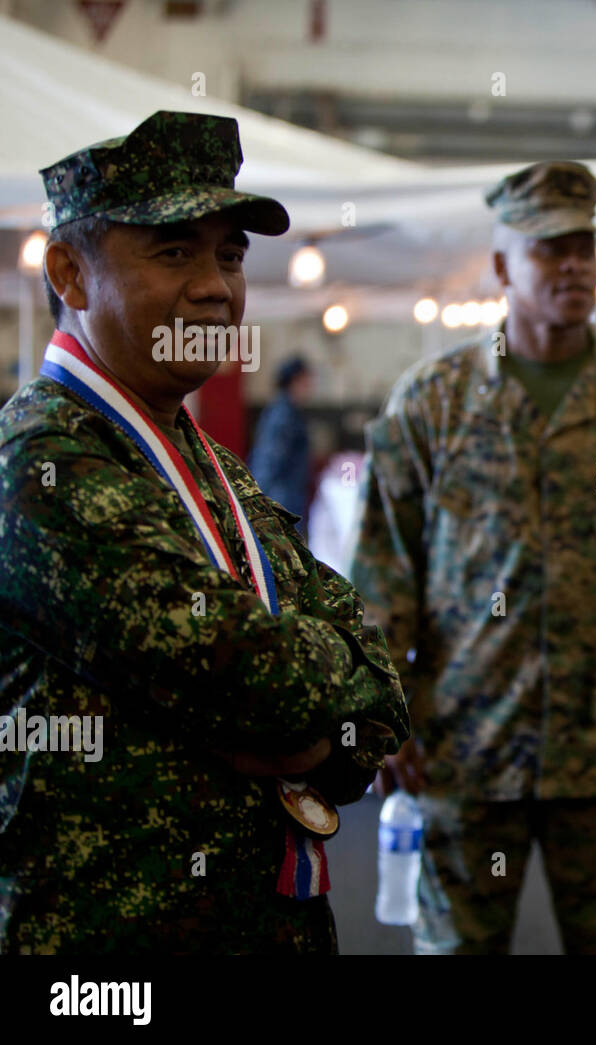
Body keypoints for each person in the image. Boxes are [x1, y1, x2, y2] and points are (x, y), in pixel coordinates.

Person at [0, 110, 408, 954]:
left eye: (229, 255)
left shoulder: (210, 463)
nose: (217, 286)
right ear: (70, 273)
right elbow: (254, 675)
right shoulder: (40, 462)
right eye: (173, 250)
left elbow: (376, 681)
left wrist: (323, 724)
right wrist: (310, 703)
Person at [350, 160, 596, 954]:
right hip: (465, 751)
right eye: (548, 250)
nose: (572, 265)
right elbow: (378, 570)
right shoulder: (433, 401)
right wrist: (379, 710)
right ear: (504, 266)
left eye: (584, 246)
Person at [248, 356, 315, 532]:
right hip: (280, 499)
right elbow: (269, 461)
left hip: (287, 497)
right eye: (305, 381)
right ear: (294, 382)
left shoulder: (288, 412)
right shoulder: (283, 416)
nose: (309, 387)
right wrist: (259, 504)